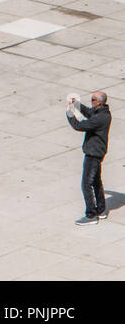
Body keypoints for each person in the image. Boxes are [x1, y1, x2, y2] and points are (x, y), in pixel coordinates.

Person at [66, 91, 111, 225]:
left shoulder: (99, 119)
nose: (91, 101)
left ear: (99, 102)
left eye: (93, 100)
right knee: (96, 181)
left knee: (86, 184)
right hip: (98, 152)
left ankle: (91, 215)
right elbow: (88, 112)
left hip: (93, 154)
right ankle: (101, 210)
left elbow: (78, 126)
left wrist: (69, 113)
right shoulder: (102, 112)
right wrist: (76, 104)